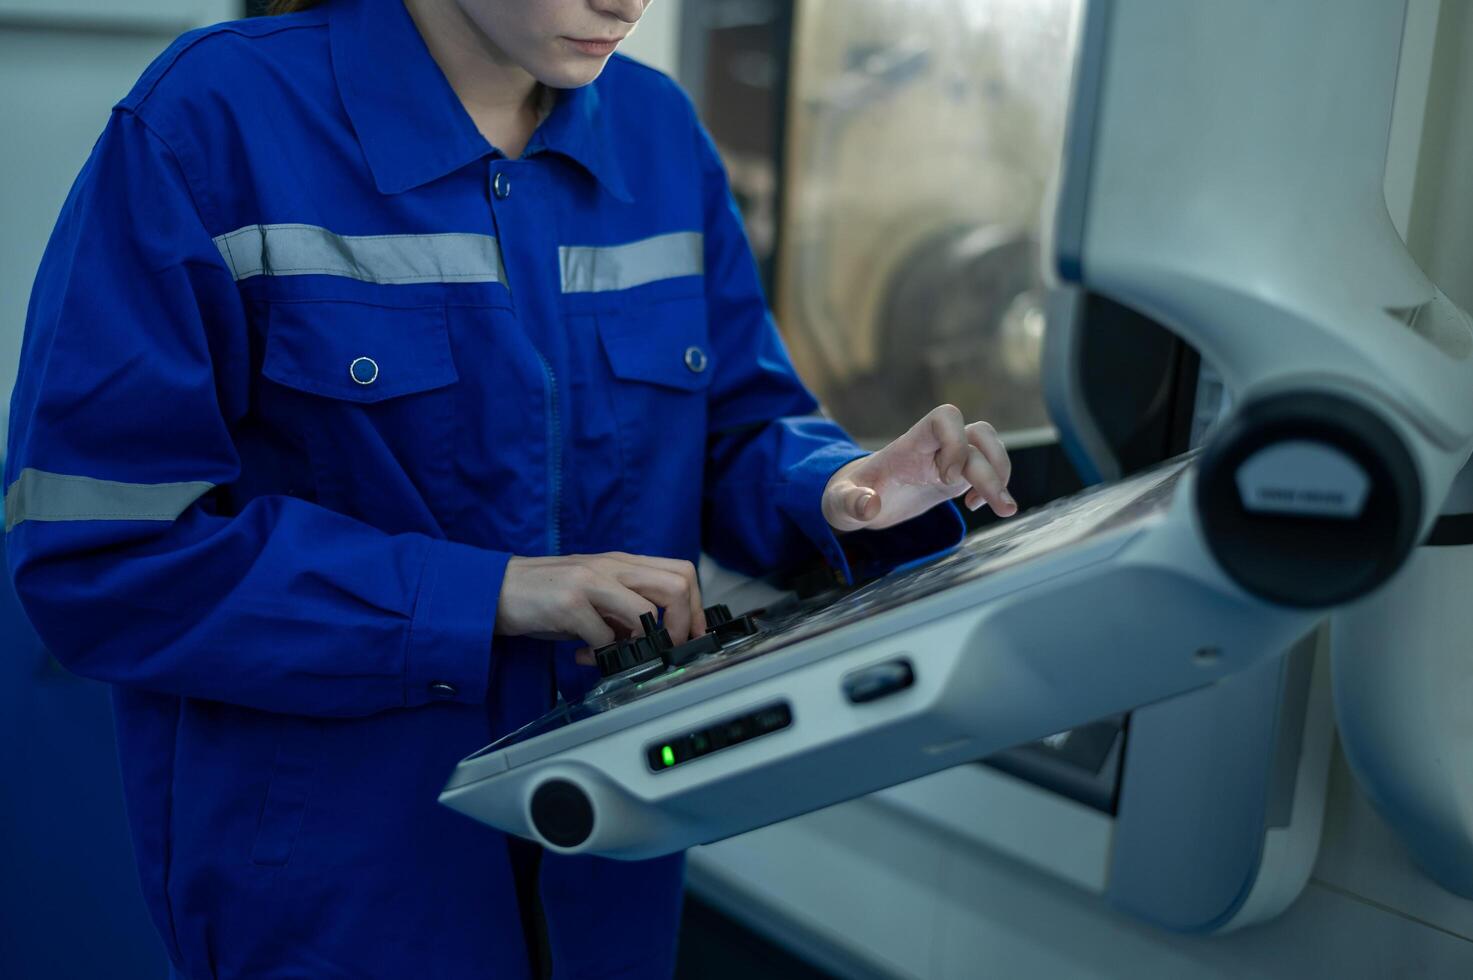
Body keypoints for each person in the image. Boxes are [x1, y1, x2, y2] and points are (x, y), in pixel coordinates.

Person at [3, 0, 1017, 976]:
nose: (625, 1)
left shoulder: (659, 133)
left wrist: (845, 486)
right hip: (339, 904)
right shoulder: (211, 120)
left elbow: (733, 430)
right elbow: (102, 557)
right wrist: (487, 594)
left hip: (609, 886)